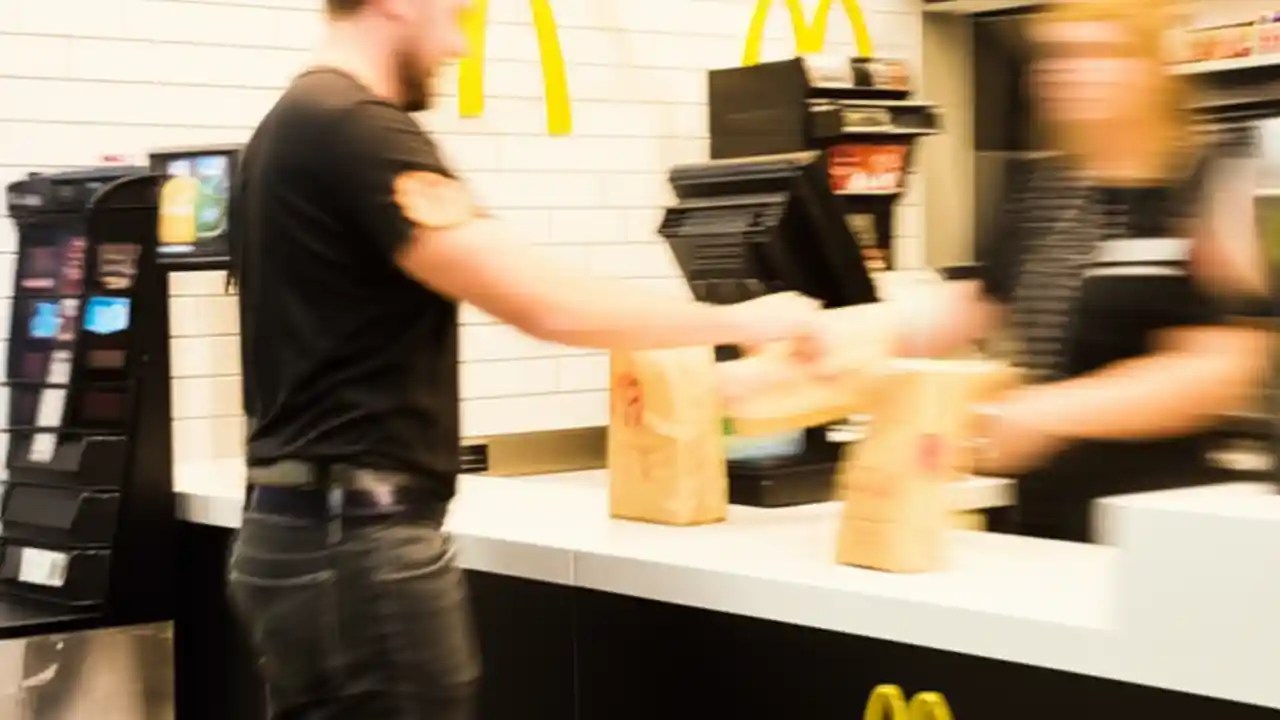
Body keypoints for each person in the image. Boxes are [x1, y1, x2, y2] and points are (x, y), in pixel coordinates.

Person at [225, 0, 828, 717]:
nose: (458, 46)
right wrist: (738, 319)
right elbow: (542, 302)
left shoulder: (286, 128)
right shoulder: (356, 129)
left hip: (302, 536)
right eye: (456, 16)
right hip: (355, 547)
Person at [845, 0, 1270, 542]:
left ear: (1151, 68)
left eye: (1096, 53)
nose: (1065, 71)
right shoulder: (1042, 189)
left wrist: (1048, 412)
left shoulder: (1209, 179)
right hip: (1048, 520)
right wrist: (839, 339)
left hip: (1164, 528)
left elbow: (1219, 370)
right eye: (1054, 55)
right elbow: (971, 307)